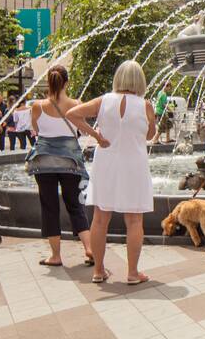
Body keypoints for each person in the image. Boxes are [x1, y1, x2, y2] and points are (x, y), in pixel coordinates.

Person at [66, 60, 155, 285]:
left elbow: (72, 114)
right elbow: (148, 136)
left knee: (100, 218)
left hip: (106, 161)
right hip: (134, 163)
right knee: (134, 220)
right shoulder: (145, 105)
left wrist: (96, 136)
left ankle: (98, 270)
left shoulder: (104, 101)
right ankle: (133, 273)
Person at [27, 65, 94, 269]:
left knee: (49, 207)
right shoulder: (76, 104)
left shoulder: (38, 106)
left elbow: (36, 130)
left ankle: (55, 255)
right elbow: (81, 129)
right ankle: (89, 248)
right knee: (75, 205)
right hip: (70, 162)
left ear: (49, 82)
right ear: (67, 82)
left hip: (44, 162)